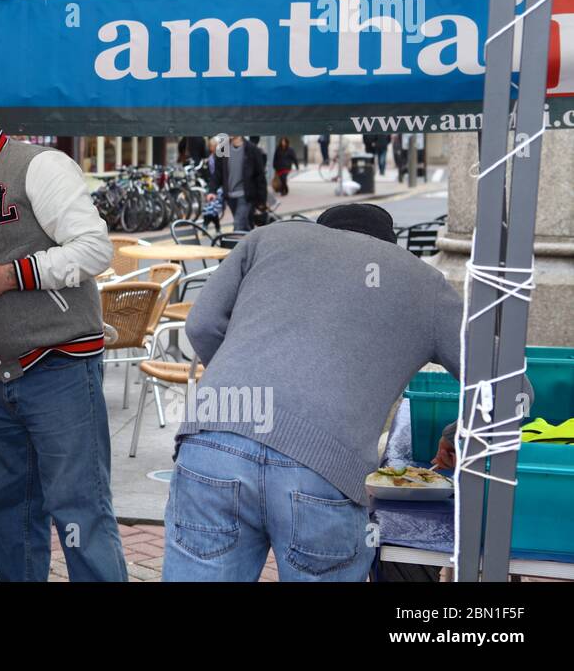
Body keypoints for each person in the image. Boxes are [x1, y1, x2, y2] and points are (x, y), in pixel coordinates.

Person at [162, 204, 530, 582]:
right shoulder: (423, 283)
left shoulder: (268, 237)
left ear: (322, 230)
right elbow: (509, 386)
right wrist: (457, 434)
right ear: (392, 245)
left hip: (213, 445)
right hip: (323, 467)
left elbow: (202, 324)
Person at [0, 75, 127, 582]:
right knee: (9, 514)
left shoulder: (39, 165)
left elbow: (95, 249)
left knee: (79, 507)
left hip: (59, 368)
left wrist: (10, 276)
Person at [207, 135, 267, 231]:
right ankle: (251, 243)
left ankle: (235, 245)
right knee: (245, 224)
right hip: (230, 196)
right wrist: (212, 191)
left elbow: (260, 176)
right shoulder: (223, 147)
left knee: (238, 224)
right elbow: (217, 173)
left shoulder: (251, 149)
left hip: (246, 195)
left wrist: (262, 200)